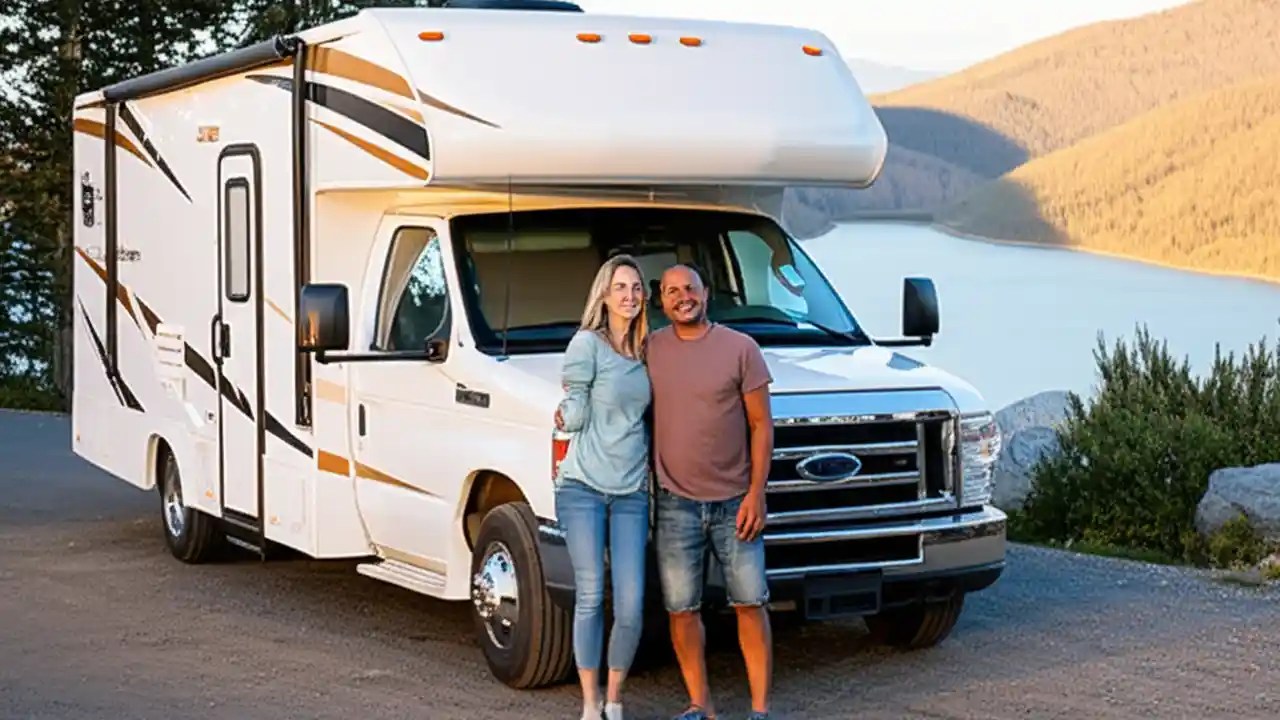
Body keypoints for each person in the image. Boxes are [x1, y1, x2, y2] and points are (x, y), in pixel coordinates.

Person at [647, 264, 775, 720]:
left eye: (690, 288)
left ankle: (759, 710)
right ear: (660, 301)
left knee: (749, 603)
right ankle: (702, 706)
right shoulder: (651, 350)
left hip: (735, 503)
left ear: (706, 293)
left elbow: (762, 425)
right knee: (681, 608)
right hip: (675, 503)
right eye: (672, 291)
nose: (683, 297)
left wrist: (756, 494)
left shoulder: (741, 349)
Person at [553, 254, 653, 720]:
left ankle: (615, 700)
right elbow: (574, 403)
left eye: (636, 288)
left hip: (632, 489)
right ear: (605, 295)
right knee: (592, 594)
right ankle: (590, 704)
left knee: (631, 603)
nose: (629, 296)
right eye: (621, 288)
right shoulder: (586, 345)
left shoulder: (649, 349)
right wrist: (566, 414)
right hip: (583, 487)